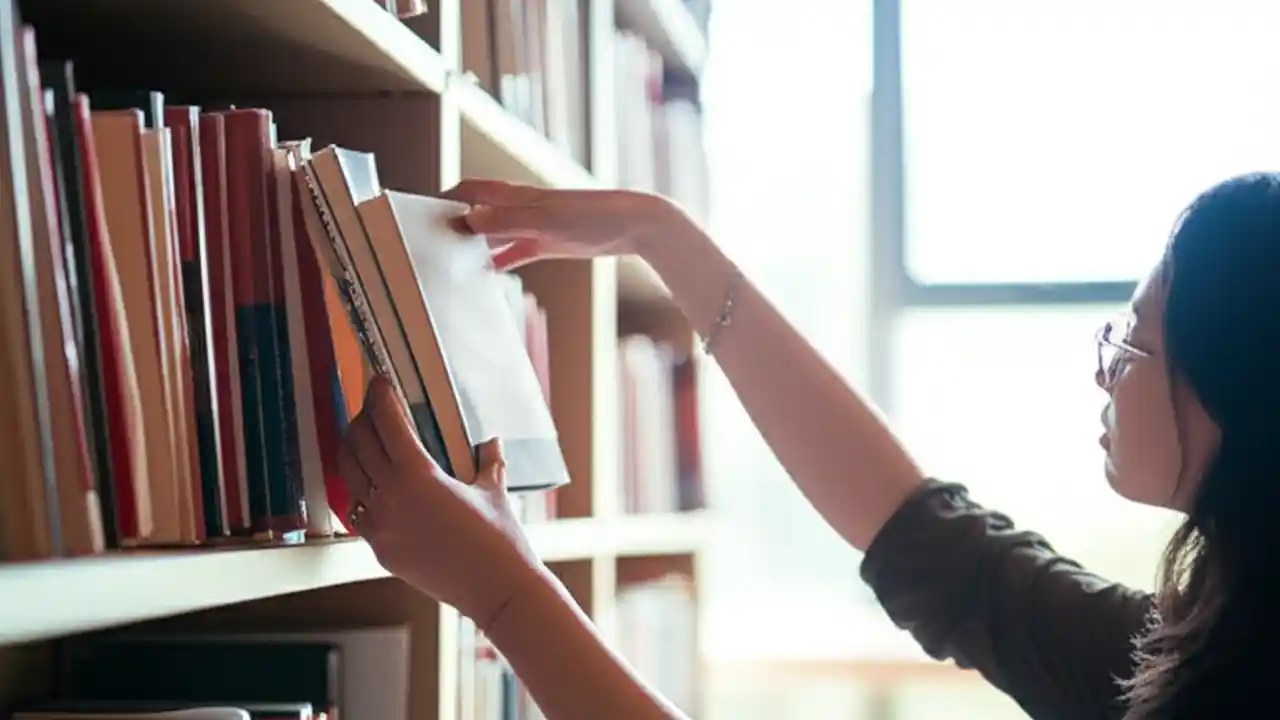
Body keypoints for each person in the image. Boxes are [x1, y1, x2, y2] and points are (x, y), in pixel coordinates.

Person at [336, 173, 1280, 719]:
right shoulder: (1201, 650)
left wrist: (505, 590)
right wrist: (659, 235)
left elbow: (949, 558)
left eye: (1134, 335)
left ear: (1234, 390)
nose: (1105, 367)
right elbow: (944, 551)